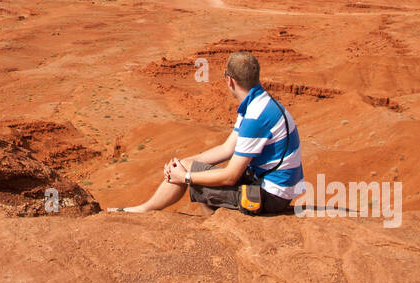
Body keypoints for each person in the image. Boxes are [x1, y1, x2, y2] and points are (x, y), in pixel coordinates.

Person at [113, 52, 305, 215]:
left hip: (270, 197)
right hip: (271, 186)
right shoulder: (259, 103)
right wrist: (180, 165)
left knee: (195, 179)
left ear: (230, 81)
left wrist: (186, 177)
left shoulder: (255, 117)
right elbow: (226, 149)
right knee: (189, 168)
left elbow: (230, 176)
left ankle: (144, 212)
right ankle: (148, 209)